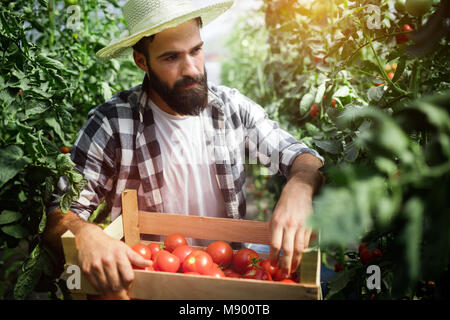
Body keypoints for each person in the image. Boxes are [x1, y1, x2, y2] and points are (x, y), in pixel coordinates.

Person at [42, 0, 325, 299]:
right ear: (142, 61)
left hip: (227, 279)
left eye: (196, 50)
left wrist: (300, 185)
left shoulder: (232, 109)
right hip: (147, 283)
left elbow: (301, 157)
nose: (190, 69)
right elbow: (59, 213)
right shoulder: (112, 123)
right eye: (171, 57)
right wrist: (86, 233)